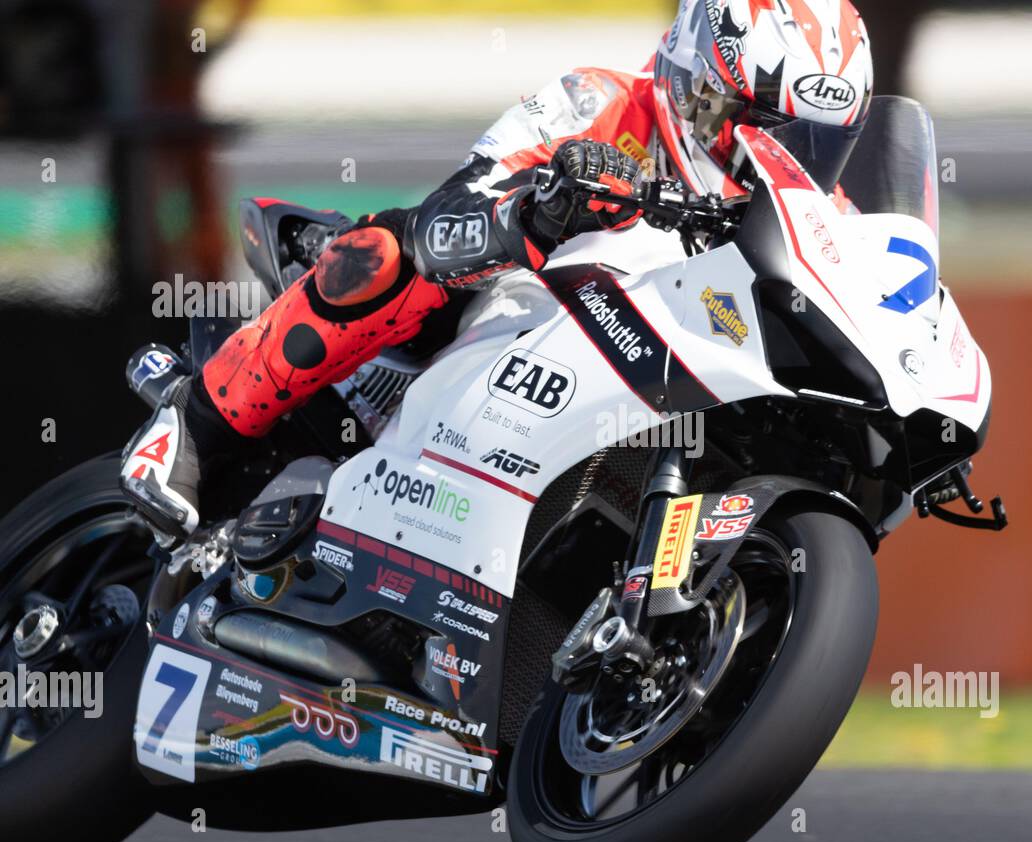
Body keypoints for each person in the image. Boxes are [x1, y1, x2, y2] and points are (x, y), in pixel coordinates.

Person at [121, 0, 873, 542]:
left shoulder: (813, 207)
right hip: (501, 326)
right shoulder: (602, 102)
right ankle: (195, 424)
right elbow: (453, 213)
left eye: (815, 143)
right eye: (754, 127)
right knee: (396, 251)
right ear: (695, 81)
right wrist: (546, 207)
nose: (774, 159)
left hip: (650, 386)